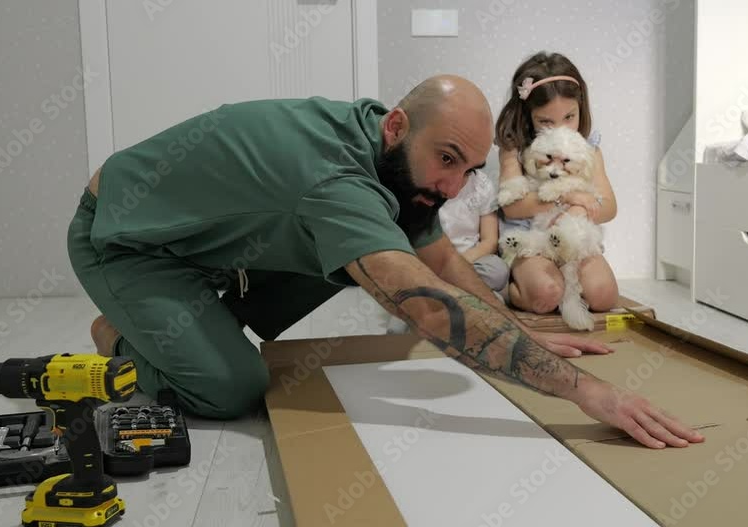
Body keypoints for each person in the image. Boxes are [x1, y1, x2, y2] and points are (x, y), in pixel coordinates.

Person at [71, 75, 702, 449]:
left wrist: (521, 330)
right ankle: (122, 338)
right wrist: (586, 394)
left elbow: (445, 266)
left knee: (385, 242)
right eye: (447, 159)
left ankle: (189, 325)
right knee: (233, 386)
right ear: (399, 126)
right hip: (128, 238)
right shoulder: (334, 181)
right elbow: (427, 304)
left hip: (213, 242)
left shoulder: (388, 148)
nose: (455, 186)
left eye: (469, 167)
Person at [495, 52, 620, 315]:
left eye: (569, 117)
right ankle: (511, 289)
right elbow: (513, 208)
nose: (560, 128)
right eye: (545, 122)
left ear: (580, 108)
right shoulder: (513, 147)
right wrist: (568, 198)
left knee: (603, 297)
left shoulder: (589, 149)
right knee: (546, 294)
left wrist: (580, 210)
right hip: (529, 237)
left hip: (572, 239)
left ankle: (563, 277)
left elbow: (608, 207)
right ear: (528, 115)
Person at [437, 169, 507, 294]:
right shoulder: (427, 181)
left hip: (469, 260)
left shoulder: (482, 185)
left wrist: (457, 263)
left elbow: (490, 241)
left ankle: (443, 289)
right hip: (428, 258)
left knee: (498, 271)